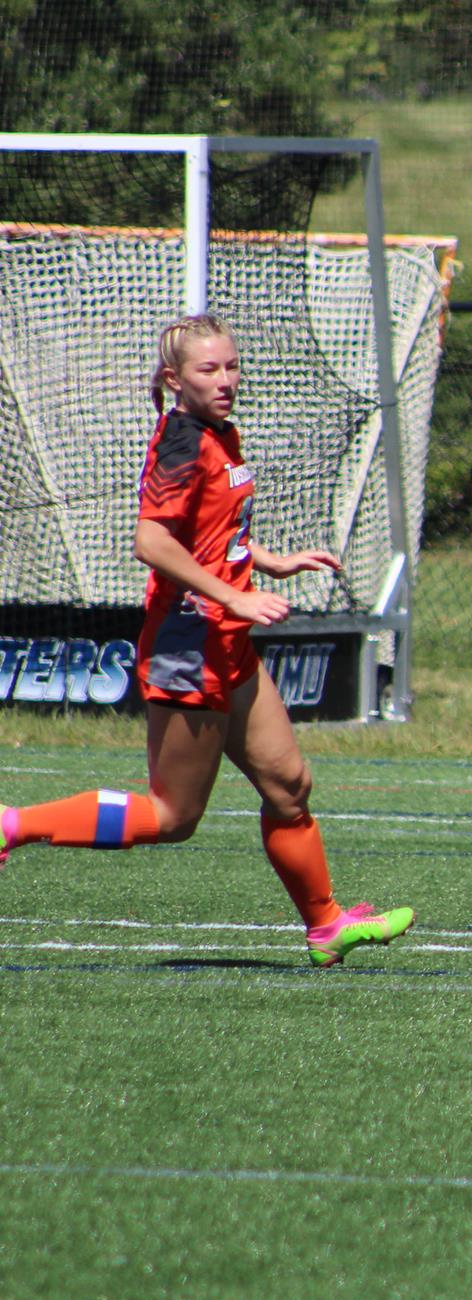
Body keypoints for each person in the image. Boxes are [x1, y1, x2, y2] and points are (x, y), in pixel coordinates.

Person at [0, 314, 414, 966]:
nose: (226, 380)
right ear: (175, 378)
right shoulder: (181, 443)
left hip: (227, 641)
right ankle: (13, 824)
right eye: (208, 369)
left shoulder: (220, 433)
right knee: (172, 816)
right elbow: (152, 542)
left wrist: (268, 561)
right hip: (188, 648)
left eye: (232, 366)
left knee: (289, 785)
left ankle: (327, 925)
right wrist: (235, 595)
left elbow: (214, 533)